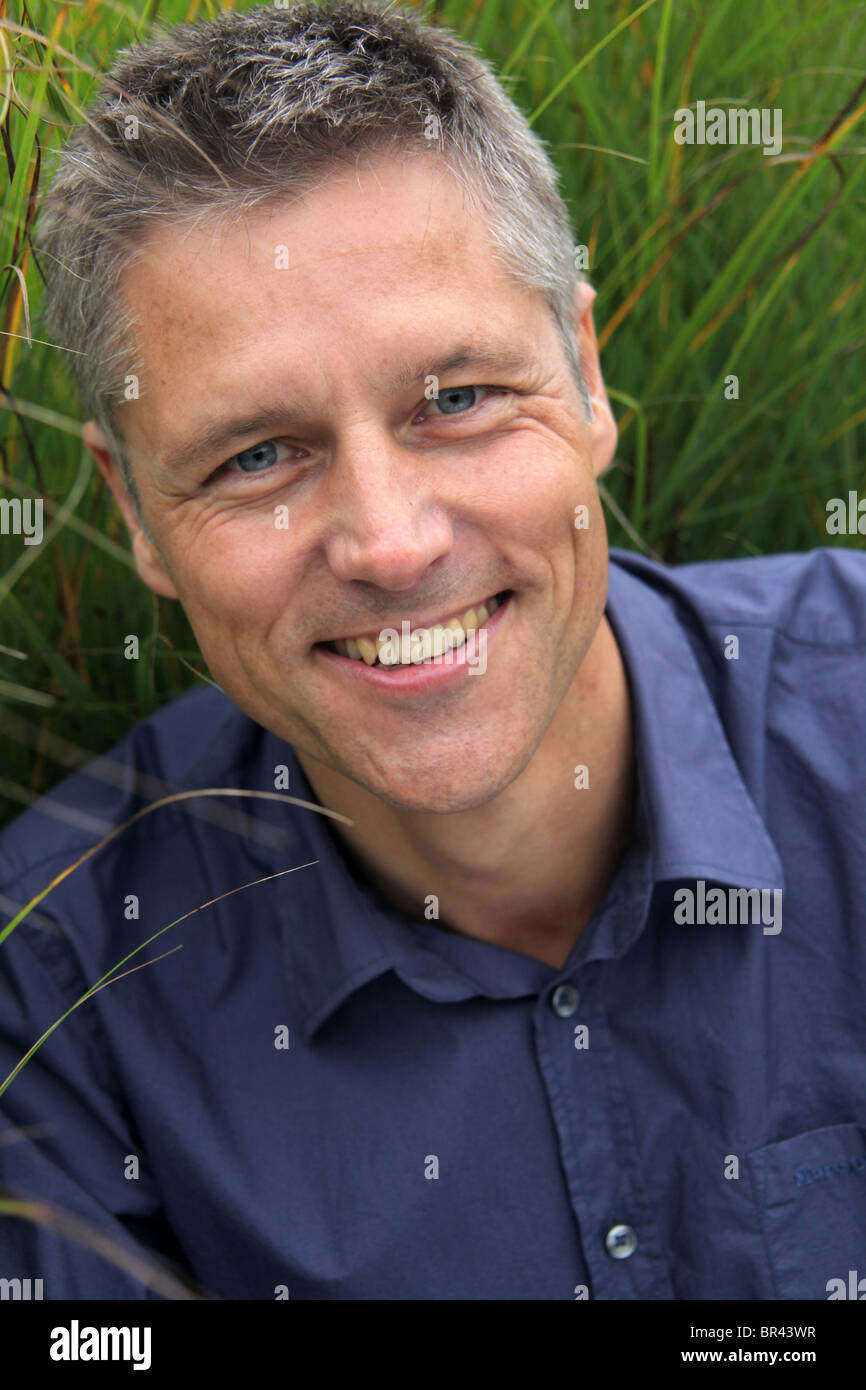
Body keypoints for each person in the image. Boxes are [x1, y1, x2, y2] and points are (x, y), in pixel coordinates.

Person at [1, 1, 864, 1301]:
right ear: (138, 517)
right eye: (256, 455)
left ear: (584, 378)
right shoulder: (57, 991)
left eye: (455, 399)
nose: (390, 544)